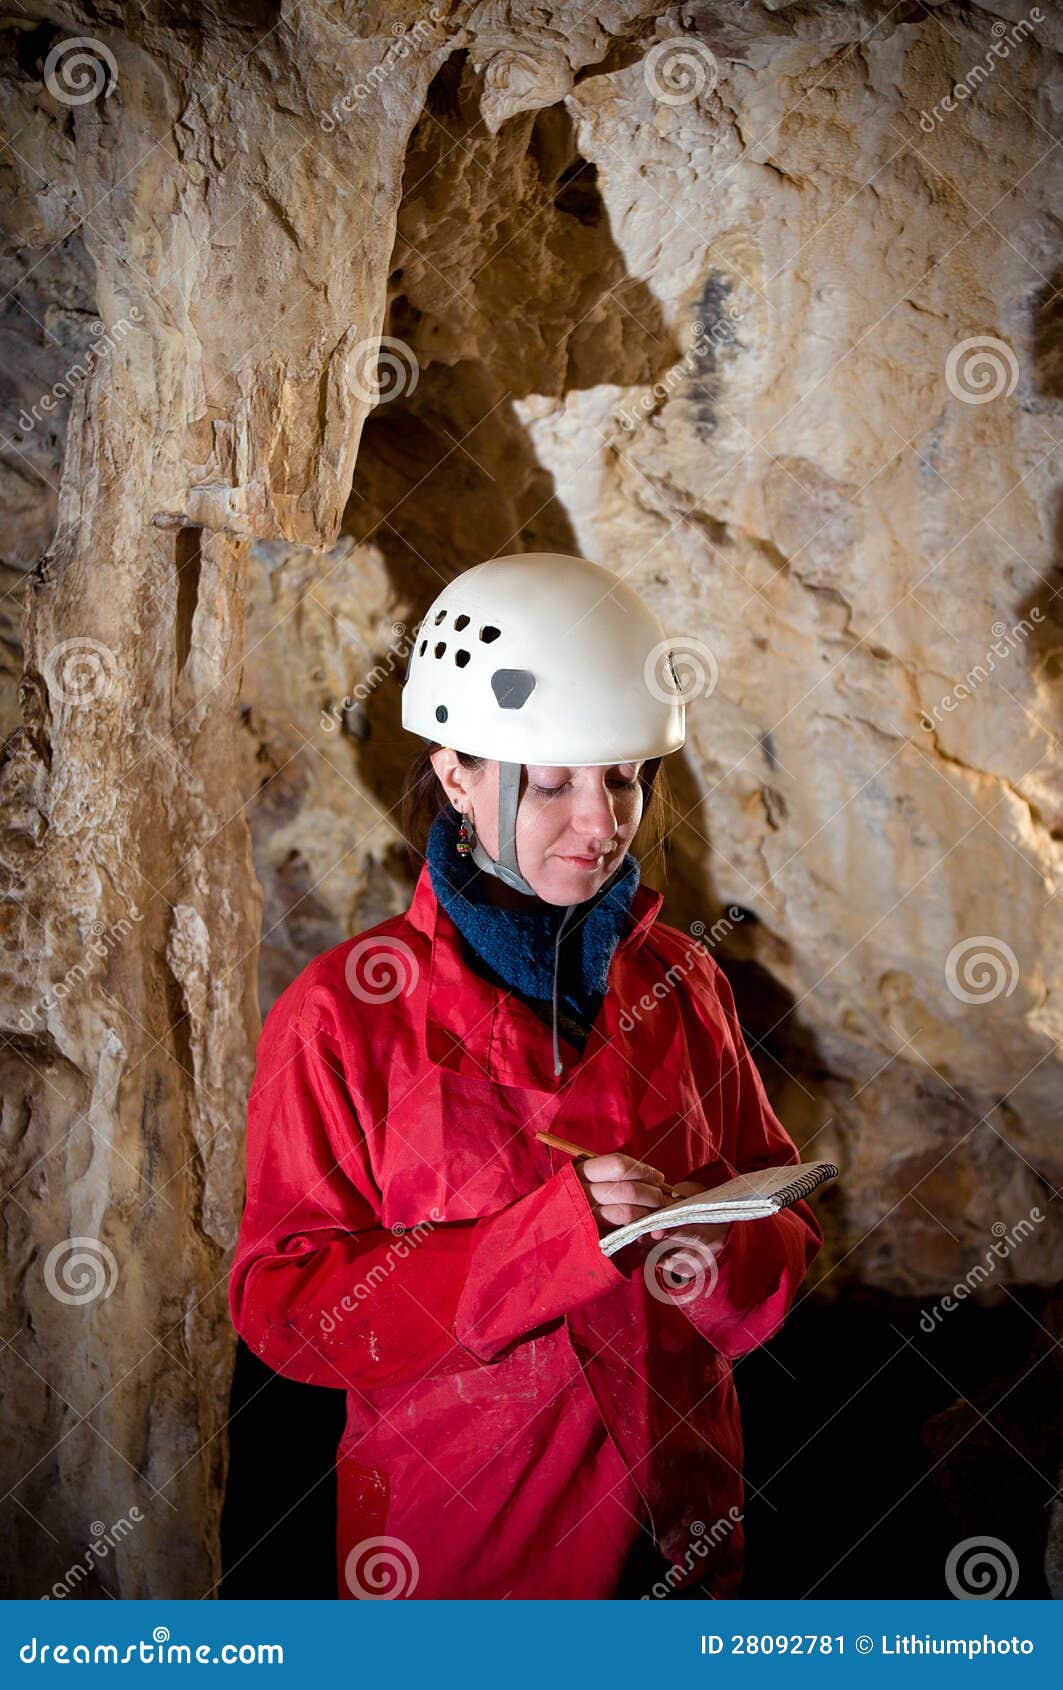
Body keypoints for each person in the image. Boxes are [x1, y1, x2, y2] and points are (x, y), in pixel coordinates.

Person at [227, 551, 823, 1601]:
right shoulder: (344, 1015)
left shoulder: (681, 981)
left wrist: (709, 1244)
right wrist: (544, 1248)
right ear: (455, 771)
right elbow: (286, 1306)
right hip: (468, 1564)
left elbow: (775, 1258)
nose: (601, 823)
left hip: (684, 1549)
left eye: (624, 777)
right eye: (551, 783)